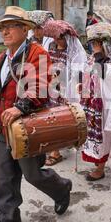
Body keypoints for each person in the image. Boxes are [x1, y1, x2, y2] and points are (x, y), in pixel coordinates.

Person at [0, 6, 72, 222]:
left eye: (10, 26)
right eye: (2, 28)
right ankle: (8, 214)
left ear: (25, 29)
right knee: (4, 173)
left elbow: (42, 86)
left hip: (28, 125)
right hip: (6, 127)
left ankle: (61, 188)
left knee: (32, 174)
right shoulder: (3, 58)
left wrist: (20, 107)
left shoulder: (38, 54)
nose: (4, 32)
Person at [80, 22, 111, 181]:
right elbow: (87, 73)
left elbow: (107, 78)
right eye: (93, 43)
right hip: (90, 104)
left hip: (104, 108)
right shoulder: (94, 58)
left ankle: (100, 168)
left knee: (103, 135)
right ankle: (96, 162)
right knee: (90, 134)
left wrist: (98, 59)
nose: (94, 46)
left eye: (97, 43)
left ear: (106, 44)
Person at [42, 20, 87, 166]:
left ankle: (56, 152)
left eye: (60, 38)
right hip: (52, 88)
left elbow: (78, 74)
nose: (57, 40)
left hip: (66, 90)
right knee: (51, 118)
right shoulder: (51, 46)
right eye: (55, 37)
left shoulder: (74, 52)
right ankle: (57, 145)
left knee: (61, 120)